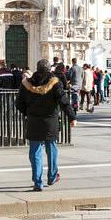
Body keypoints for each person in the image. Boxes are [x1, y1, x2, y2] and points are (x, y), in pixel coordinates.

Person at [16, 60, 72, 191]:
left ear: (37, 68)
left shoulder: (27, 83)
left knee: (35, 152)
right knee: (51, 149)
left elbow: (18, 103)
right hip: (50, 120)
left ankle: (37, 182)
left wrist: (28, 112)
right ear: (49, 69)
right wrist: (72, 116)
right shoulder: (55, 82)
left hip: (33, 121)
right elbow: (63, 101)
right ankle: (52, 176)